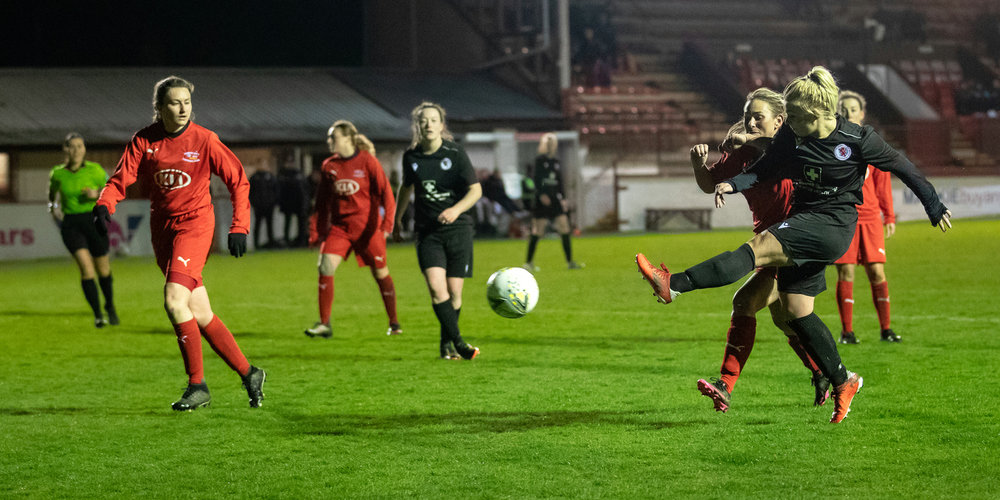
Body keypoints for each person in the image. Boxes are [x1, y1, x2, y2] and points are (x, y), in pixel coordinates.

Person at [636, 66, 952, 424]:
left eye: (796, 118)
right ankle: (843, 380)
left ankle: (673, 284)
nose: (790, 124)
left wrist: (934, 206)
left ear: (816, 114)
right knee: (795, 310)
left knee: (757, 250)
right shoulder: (792, 134)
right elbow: (766, 168)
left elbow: (904, 167)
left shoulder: (858, 139)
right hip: (804, 218)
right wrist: (732, 184)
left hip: (832, 223)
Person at [94, 76, 265, 411]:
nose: (183, 108)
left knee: (174, 301)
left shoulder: (205, 140)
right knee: (199, 311)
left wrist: (239, 226)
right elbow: (121, 178)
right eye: (175, 102)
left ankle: (197, 385)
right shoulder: (144, 140)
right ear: (160, 107)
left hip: (195, 226)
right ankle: (250, 373)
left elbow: (238, 181)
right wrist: (104, 204)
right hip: (163, 230)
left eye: (187, 101)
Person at [688, 89, 829, 413]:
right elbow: (709, 183)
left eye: (758, 117)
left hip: (795, 239)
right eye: (747, 116)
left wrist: (746, 139)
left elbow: (777, 148)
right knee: (784, 318)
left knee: (745, 301)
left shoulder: (792, 144)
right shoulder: (743, 152)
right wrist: (698, 165)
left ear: (779, 121)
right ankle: (825, 372)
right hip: (770, 242)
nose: (750, 122)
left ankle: (726, 384)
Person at [393, 102, 482, 360]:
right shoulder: (411, 157)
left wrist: (455, 209)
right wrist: (397, 220)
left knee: (454, 293)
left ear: (442, 125)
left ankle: (446, 345)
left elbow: (476, 190)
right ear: (417, 126)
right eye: (424, 121)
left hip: (458, 231)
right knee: (436, 289)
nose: (429, 124)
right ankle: (460, 344)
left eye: (434, 120)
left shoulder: (455, 154)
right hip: (427, 233)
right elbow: (406, 188)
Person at [304, 120, 401, 338]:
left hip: (368, 228)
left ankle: (394, 322)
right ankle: (324, 324)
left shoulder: (368, 161)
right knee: (325, 266)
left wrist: (387, 225)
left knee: (380, 273)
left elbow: (387, 194)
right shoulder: (329, 166)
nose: (329, 141)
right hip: (341, 228)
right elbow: (321, 203)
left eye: (333, 137)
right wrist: (316, 232)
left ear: (348, 138)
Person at [833, 91, 901, 344]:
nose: (848, 113)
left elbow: (883, 183)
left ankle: (886, 329)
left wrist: (889, 216)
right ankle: (847, 332)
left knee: (877, 272)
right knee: (846, 273)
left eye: (853, 109)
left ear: (862, 113)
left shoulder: (871, 143)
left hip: (871, 218)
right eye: (843, 109)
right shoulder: (832, 144)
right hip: (844, 218)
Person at [48, 132, 119, 328]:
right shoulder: (57, 173)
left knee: (103, 269)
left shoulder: (95, 170)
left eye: (80, 146)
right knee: (86, 269)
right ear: (66, 149)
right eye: (72, 146)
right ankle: (98, 315)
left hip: (93, 221)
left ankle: (110, 306)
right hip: (71, 224)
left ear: (84, 149)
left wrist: (97, 194)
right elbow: (52, 193)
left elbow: (112, 189)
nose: (76, 150)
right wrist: (52, 207)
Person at [524, 133, 583, 271]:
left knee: (565, 228)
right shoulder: (539, 160)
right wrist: (541, 194)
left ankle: (570, 262)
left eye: (553, 142)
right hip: (542, 201)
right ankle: (528, 262)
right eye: (548, 142)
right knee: (538, 231)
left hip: (555, 200)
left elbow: (559, 182)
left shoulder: (556, 162)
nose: (551, 145)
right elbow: (536, 179)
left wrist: (563, 198)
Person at [278, 158, 309, 247]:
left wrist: (304, 202)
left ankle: (301, 240)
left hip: (299, 203)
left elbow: (304, 190)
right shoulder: (282, 175)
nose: (290, 165)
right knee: (287, 222)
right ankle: (287, 240)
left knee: (301, 223)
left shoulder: (299, 174)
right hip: (287, 203)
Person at [248, 167, 279, 249]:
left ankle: (271, 242)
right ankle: (256, 244)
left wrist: (273, 202)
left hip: (269, 206)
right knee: (257, 224)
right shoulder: (254, 178)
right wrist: (254, 203)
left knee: (270, 225)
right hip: (258, 206)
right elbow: (250, 192)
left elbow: (276, 190)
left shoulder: (271, 177)